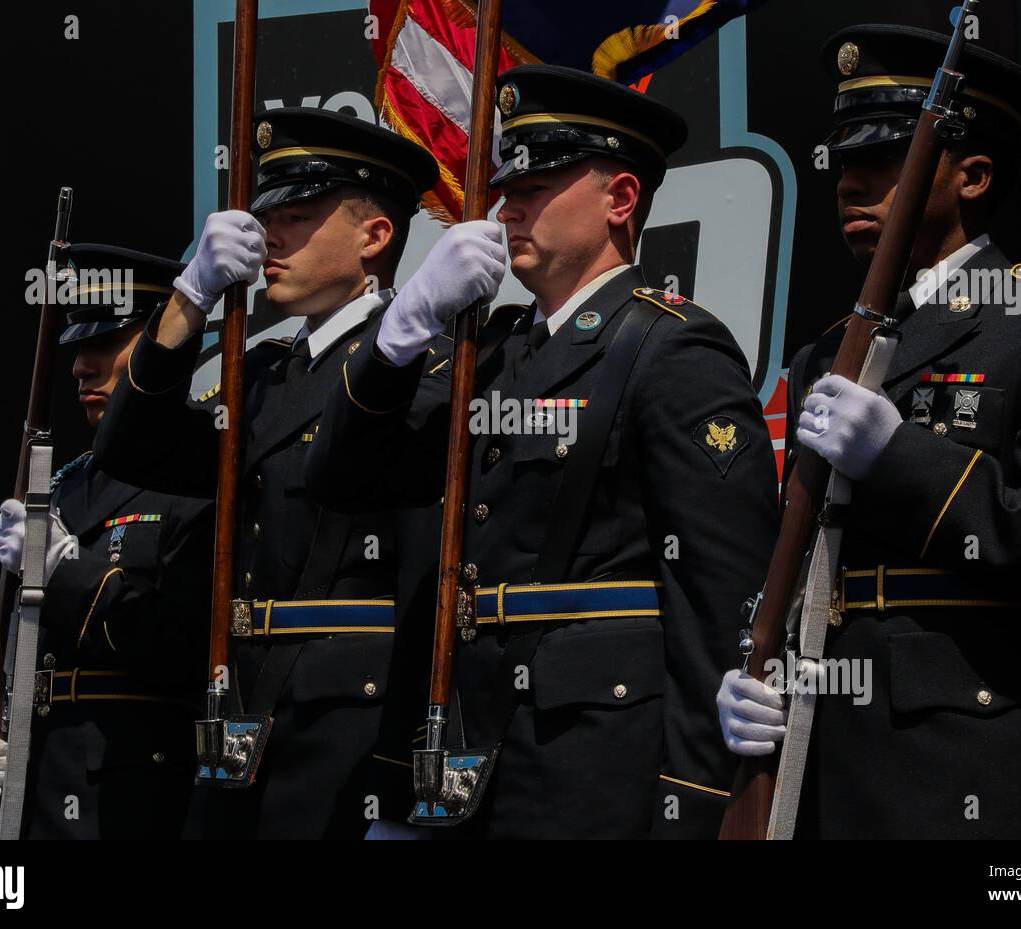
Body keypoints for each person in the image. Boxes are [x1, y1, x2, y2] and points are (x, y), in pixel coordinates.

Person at [307, 64, 779, 838]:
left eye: (541, 182)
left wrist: (693, 799)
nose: (507, 204)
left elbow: (719, 600)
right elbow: (344, 476)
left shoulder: (672, 348)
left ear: (621, 199)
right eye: (506, 186)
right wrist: (397, 338)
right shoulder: (483, 355)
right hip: (467, 757)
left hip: (593, 762)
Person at [717, 23, 1021, 838]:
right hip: (828, 756)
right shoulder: (825, 353)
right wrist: (753, 664)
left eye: (883, 161)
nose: (850, 183)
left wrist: (905, 457)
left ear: (973, 175)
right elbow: (802, 554)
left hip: (965, 766)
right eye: (844, 163)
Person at [92, 108, 440, 838]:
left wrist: (405, 782)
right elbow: (131, 447)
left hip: (349, 735)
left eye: (300, 215)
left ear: (375, 236)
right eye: (267, 213)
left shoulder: (419, 368)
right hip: (243, 723)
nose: (269, 235)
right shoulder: (267, 374)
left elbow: (424, 591)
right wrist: (190, 299)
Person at [0, 245, 215, 838]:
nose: (82, 367)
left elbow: (180, 646)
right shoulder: (64, 483)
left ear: (162, 346)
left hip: (135, 795)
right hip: (44, 783)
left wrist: (64, 572)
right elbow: (24, 643)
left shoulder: (201, 471)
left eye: (106, 345)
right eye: (78, 349)